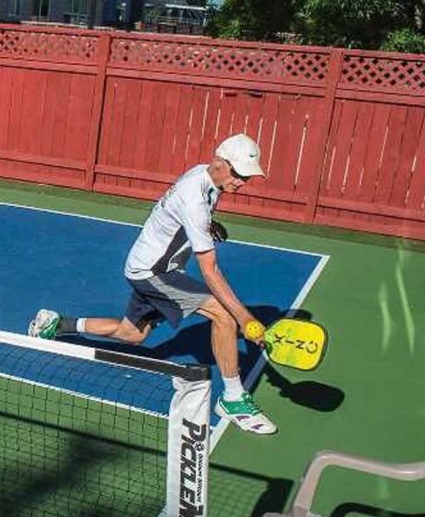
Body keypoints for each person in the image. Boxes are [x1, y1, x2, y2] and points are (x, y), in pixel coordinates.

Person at [28, 133, 276, 435]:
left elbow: (183, 215)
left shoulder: (204, 176)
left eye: (247, 177)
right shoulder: (194, 198)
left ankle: (57, 324)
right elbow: (210, 272)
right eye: (238, 174)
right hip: (154, 272)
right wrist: (245, 317)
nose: (242, 182)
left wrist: (208, 226)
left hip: (146, 267)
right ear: (220, 163)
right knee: (223, 316)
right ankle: (233, 398)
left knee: (132, 333)